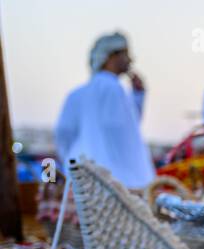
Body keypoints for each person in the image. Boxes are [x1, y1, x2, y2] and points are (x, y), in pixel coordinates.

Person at [54, 33, 155, 189]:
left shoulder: (77, 94)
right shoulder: (116, 91)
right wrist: (137, 96)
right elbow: (128, 133)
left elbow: (63, 133)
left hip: (84, 180)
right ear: (112, 55)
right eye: (126, 54)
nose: (131, 60)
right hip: (124, 188)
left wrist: (137, 95)